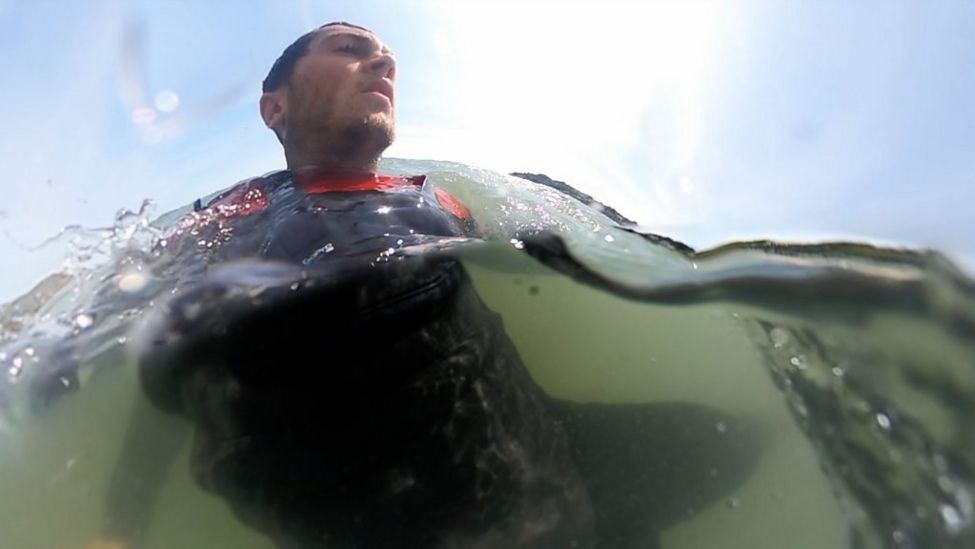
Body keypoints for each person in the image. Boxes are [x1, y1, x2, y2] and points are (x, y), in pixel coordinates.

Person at [86, 22, 758, 549]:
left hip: (544, 467)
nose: (383, 65)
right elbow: (150, 349)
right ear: (274, 107)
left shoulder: (451, 203)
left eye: (388, 59)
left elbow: (590, 249)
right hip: (365, 510)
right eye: (351, 50)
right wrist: (121, 516)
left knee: (733, 438)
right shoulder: (230, 217)